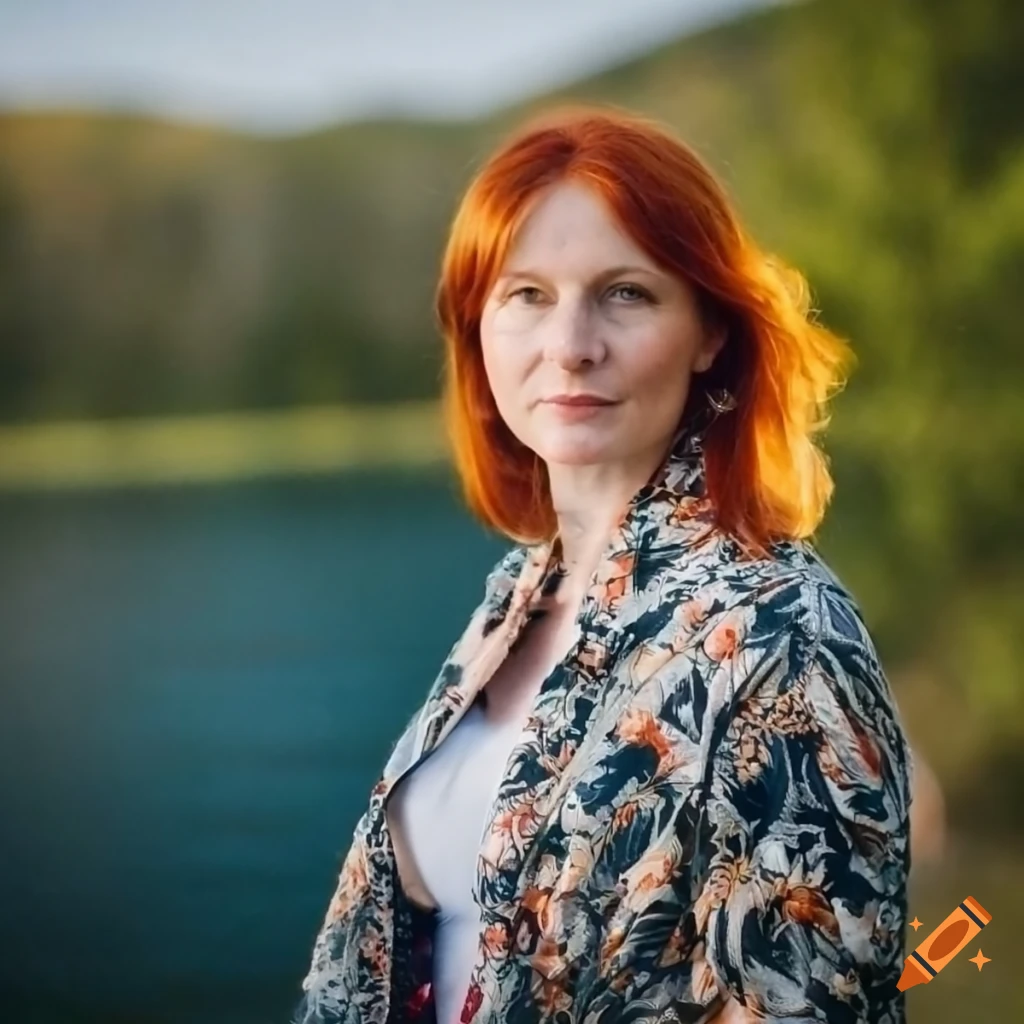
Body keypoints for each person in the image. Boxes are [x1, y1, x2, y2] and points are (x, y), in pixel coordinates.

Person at [292, 104, 912, 1024]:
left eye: (626, 293)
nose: (571, 345)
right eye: (527, 295)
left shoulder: (779, 635)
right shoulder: (516, 597)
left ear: (709, 332)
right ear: (479, 330)